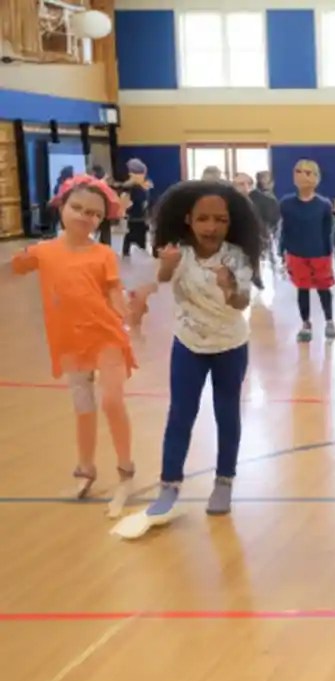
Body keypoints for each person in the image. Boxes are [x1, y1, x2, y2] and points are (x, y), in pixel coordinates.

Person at [9, 176, 139, 518]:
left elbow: (113, 291)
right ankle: (85, 470)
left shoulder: (103, 254)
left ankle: (126, 469)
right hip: (69, 339)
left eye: (94, 214)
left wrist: (125, 307)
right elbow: (12, 270)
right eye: (78, 208)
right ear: (61, 207)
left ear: (102, 219)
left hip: (106, 336)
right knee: (83, 406)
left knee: (111, 401)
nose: (85, 216)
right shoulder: (43, 251)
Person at [138, 181, 261, 526]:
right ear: (189, 219)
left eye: (220, 220)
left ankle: (224, 481)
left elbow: (242, 301)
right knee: (180, 414)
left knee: (227, 414)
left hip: (230, 347)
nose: (211, 227)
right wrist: (164, 265)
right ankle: (169, 485)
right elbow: (162, 279)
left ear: (229, 222)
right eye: (203, 219)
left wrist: (229, 287)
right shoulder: (179, 252)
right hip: (189, 345)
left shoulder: (236, 257)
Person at [279, 159, 335, 342]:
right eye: (298, 171)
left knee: (323, 289)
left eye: (308, 172)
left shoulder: (324, 204)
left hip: (320, 253)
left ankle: (329, 320)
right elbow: (285, 229)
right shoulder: (286, 204)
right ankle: (305, 323)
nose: (303, 176)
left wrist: (329, 255)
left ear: (316, 178)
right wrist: (283, 251)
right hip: (296, 253)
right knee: (302, 289)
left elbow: (328, 231)